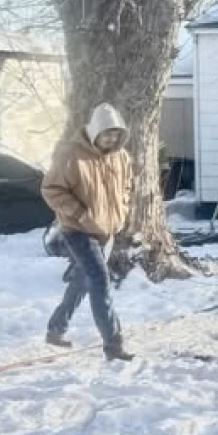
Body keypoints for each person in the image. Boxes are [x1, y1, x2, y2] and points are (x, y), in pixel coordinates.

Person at [42, 102, 134, 361]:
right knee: (100, 281)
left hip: (107, 231)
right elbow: (51, 190)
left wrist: (122, 211)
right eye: (107, 134)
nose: (111, 139)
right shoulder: (71, 154)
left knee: (83, 280)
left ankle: (55, 329)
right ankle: (114, 345)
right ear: (94, 132)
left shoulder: (121, 157)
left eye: (116, 134)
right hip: (77, 230)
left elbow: (127, 186)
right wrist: (81, 214)